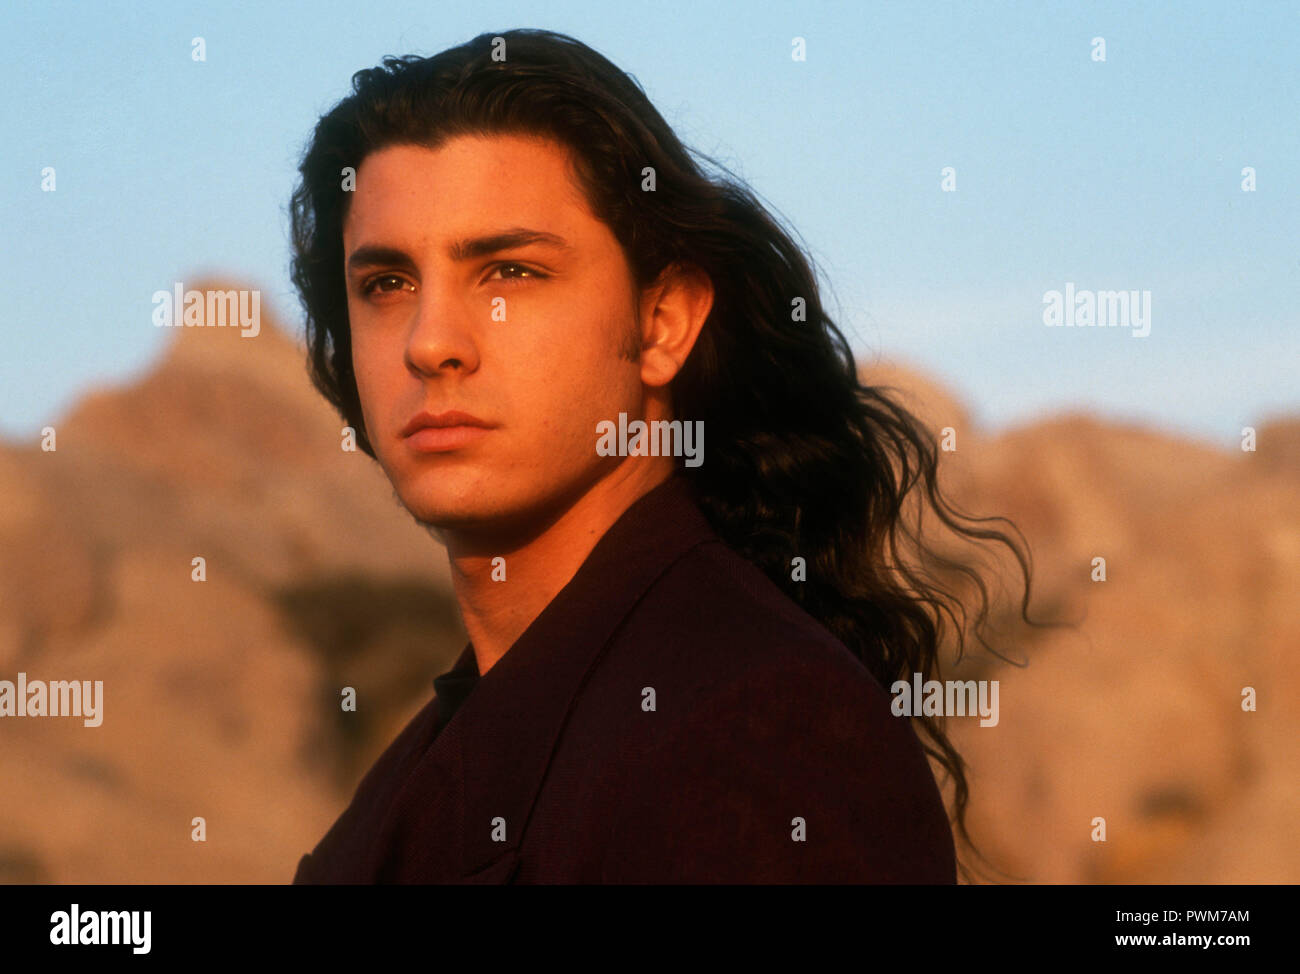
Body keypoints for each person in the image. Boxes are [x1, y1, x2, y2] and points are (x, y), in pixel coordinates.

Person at [287, 28, 1034, 883]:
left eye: (510, 273)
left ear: (663, 322)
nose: (432, 343)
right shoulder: (407, 792)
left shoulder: (767, 732)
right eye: (386, 284)